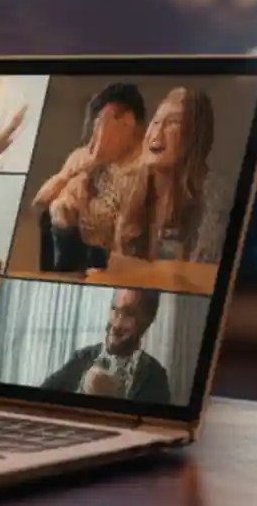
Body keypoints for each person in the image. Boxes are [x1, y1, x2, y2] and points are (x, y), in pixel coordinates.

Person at [32, 82, 148, 272]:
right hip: (74, 249)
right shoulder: (83, 157)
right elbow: (39, 201)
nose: (95, 132)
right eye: (95, 123)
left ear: (127, 122)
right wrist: (75, 172)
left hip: (119, 258)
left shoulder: (147, 166)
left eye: (102, 122)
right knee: (55, 208)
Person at [116, 86, 223, 263]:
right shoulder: (125, 186)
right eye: (156, 122)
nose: (156, 134)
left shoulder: (214, 197)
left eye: (173, 122)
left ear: (195, 136)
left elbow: (202, 277)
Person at [41, 288, 171, 403]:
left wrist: (112, 400)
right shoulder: (83, 357)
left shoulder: (154, 377)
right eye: (114, 309)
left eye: (129, 314)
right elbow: (38, 399)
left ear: (147, 321)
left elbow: (154, 427)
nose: (116, 324)